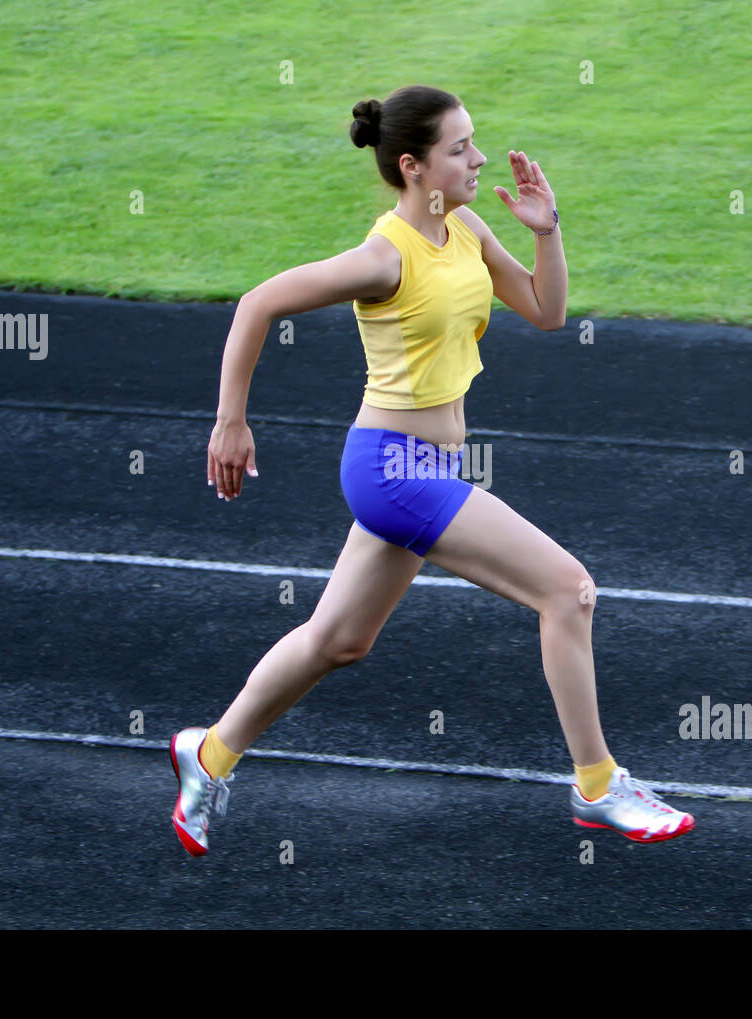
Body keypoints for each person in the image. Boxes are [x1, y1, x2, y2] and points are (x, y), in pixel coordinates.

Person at [170, 84, 694, 856]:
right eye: (460, 149)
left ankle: (208, 754)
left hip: (430, 465)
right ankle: (597, 785)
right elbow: (257, 304)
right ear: (414, 167)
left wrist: (548, 233)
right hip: (391, 467)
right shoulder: (382, 255)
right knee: (568, 589)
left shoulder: (466, 226)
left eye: (474, 142)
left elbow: (546, 312)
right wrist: (231, 420)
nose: (479, 158)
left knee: (338, 639)